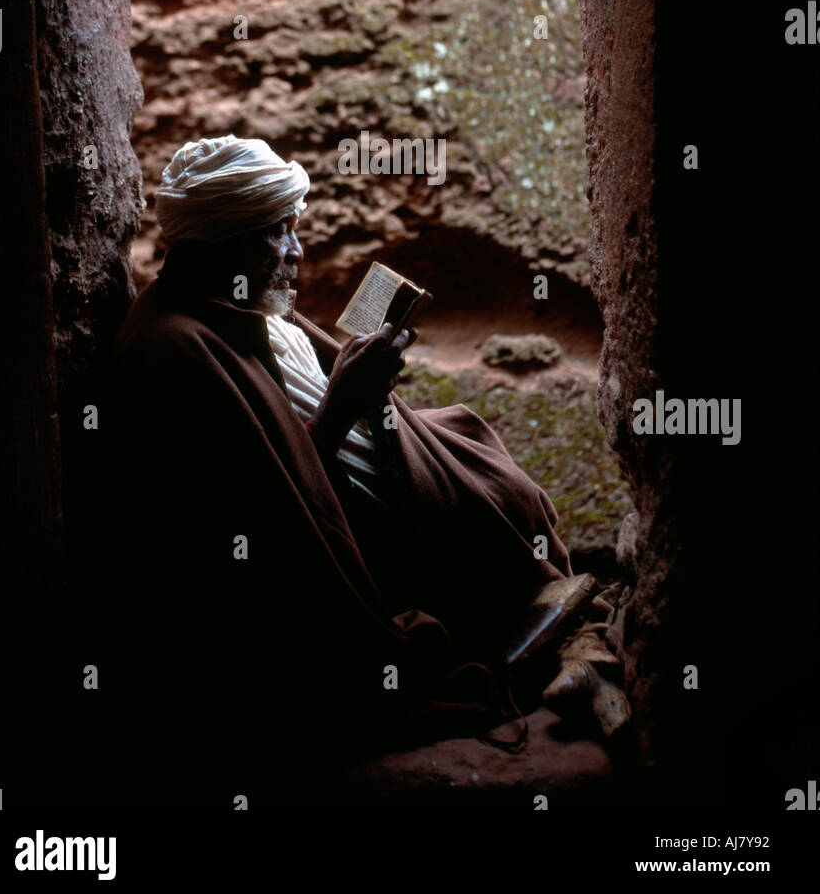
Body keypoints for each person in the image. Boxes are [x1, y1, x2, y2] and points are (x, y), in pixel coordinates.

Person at [87, 135, 620, 807]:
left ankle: (557, 622)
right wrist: (343, 406)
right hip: (345, 545)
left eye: (294, 229)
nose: (296, 250)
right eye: (278, 234)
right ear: (219, 242)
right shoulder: (171, 348)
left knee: (481, 458)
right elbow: (264, 519)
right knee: (484, 513)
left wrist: (370, 390)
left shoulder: (240, 301)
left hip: (379, 476)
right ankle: (558, 637)